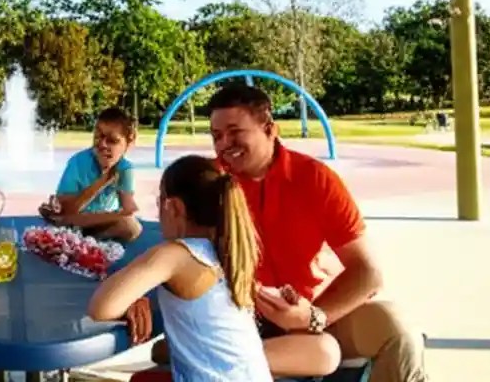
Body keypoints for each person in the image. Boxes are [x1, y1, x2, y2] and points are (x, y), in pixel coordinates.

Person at [196, 84, 428, 382]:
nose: (225, 144)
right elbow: (179, 255)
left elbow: (368, 272)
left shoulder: (314, 178)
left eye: (235, 131)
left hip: (318, 315)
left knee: (396, 329)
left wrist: (312, 317)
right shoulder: (207, 184)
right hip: (241, 323)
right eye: (217, 136)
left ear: (270, 129)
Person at [89, 155, 340, 382]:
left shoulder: (175, 255)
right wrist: (134, 296)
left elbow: (101, 307)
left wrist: (131, 299)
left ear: (173, 207)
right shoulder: (229, 252)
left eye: (159, 202)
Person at [40, 106, 142, 241]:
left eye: (112, 140)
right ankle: (86, 240)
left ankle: (89, 241)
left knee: (131, 227)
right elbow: (67, 210)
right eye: (98, 137)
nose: (103, 144)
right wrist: (103, 181)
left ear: (129, 143)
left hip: (100, 222)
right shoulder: (78, 163)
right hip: (77, 219)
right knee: (61, 218)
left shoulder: (125, 168)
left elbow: (128, 209)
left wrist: (124, 211)